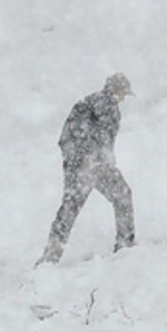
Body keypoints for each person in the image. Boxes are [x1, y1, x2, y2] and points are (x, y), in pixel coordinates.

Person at [37, 73, 136, 265]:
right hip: (92, 165)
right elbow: (101, 137)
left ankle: (50, 257)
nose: (123, 98)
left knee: (69, 209)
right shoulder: (106, 104)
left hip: (78, 165)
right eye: (123, 93)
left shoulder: (88, 103)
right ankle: (125, 244)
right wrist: (91, 158)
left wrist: (75, 159)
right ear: (115, 89)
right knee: (123, 195)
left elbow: (67, 137)